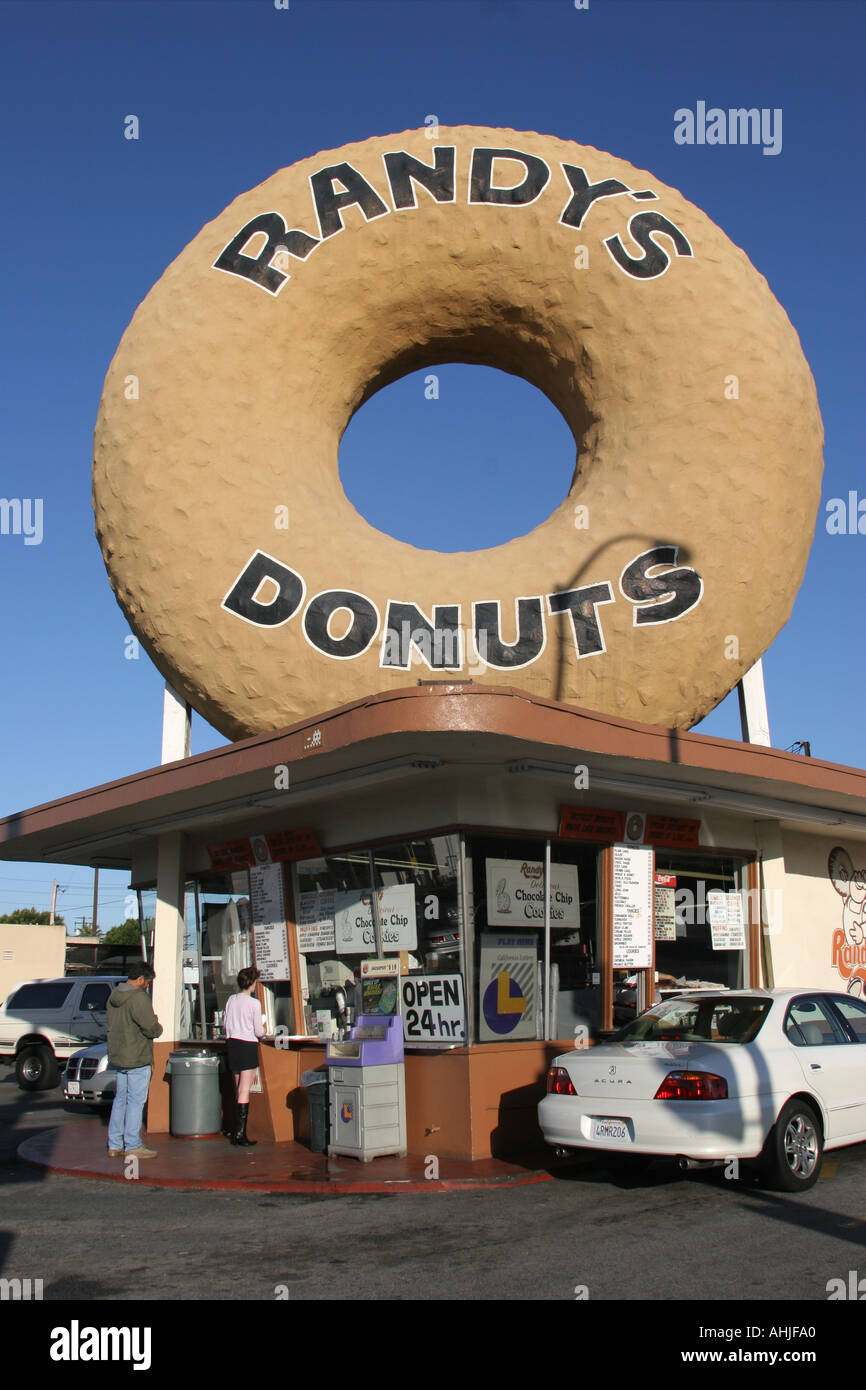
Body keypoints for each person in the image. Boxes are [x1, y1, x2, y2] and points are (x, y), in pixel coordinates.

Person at [106, 962, 163, 1158]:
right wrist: (158, 1028)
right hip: (137, 1056)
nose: (147, 986)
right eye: (147, 983)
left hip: (119, 1056)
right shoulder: (138, 997)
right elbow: (150, 1026)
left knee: (120, 1099)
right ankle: (132, 1144)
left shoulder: (114, 995)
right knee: (136, 1101)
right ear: (140, 980)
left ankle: (114, 1144)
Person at [223, 965, 264, 1147]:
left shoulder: (231, 1000)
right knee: (245, 1089)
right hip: (247, 1044)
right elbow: (258, 1031)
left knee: (238, 1086)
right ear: (252, 983)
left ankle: (237, 1130)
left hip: (232, 1044)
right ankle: (240, 1134)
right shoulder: (254, 1003)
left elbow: (225, 1024)